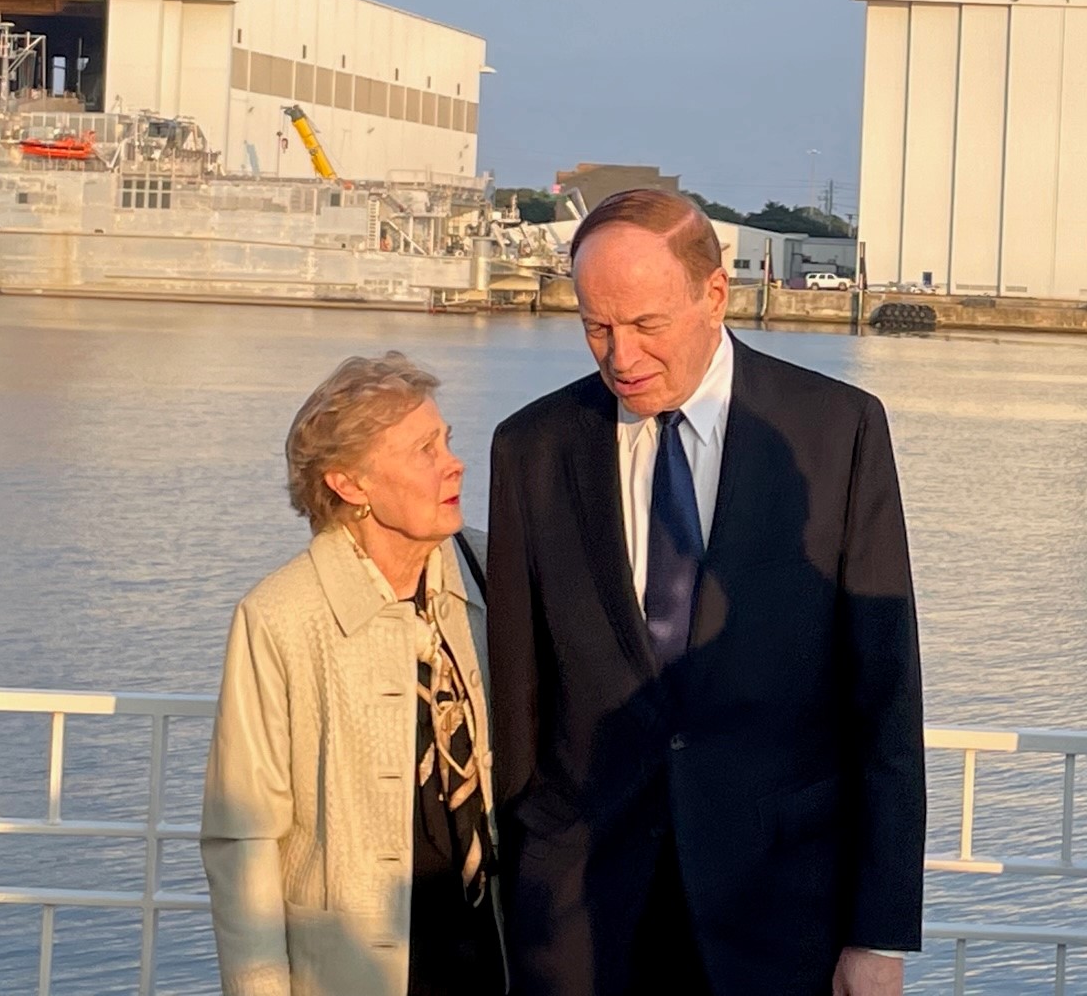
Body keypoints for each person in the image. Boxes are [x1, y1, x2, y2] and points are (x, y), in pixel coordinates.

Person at [486, 189, 923, 996]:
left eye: (646, 325)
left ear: (715, 294)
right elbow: (521, 700)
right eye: (595, 326)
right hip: (581, 922)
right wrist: (523, 909)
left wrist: (879, 932)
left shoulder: (836, 431)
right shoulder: (530, 449)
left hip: (782, 916)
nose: (620, 356)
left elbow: (884, 698)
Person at [202, 353, 503, 996]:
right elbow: (244, 836)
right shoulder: (281, 617)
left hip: (495, 957)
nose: (454, 462)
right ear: (350, 484)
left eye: (446, 440)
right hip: (356, 971)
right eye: (424, 449)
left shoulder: (491, 569)